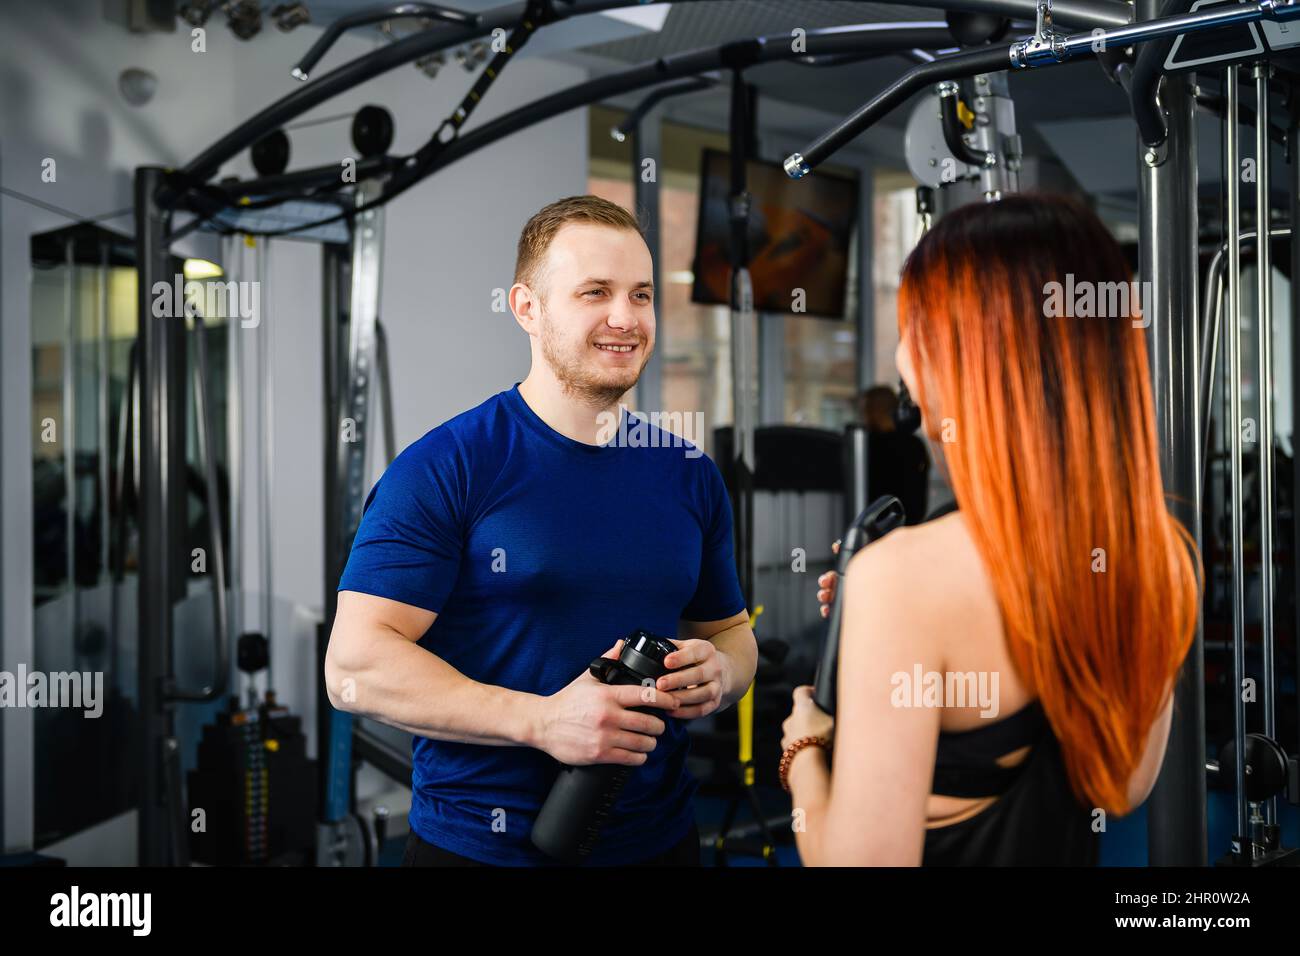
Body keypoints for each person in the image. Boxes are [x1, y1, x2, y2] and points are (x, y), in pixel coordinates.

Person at [325, 195, 757, 866]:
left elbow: (729, 632)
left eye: (641, 295)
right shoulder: (447, 467)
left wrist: (722, 672)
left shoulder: (688, 473)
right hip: (483, 850)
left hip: (662, 842)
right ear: (526, 307)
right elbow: (353, 668)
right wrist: (542, 722)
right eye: (596, 292)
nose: (626, 318)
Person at [784, 193, 1201, 865]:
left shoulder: (902, 578)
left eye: (911, 325)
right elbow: (1122, 789)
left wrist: (803, 750)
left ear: (957, 356)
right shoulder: (1156, 555)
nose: (900, 355)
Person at [858, 384, 930, 525]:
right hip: (909, 523)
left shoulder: (866, 445)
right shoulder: (914, 444)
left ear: (873, 411)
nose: (862, 415)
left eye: (865, 410)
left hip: (873, 525)